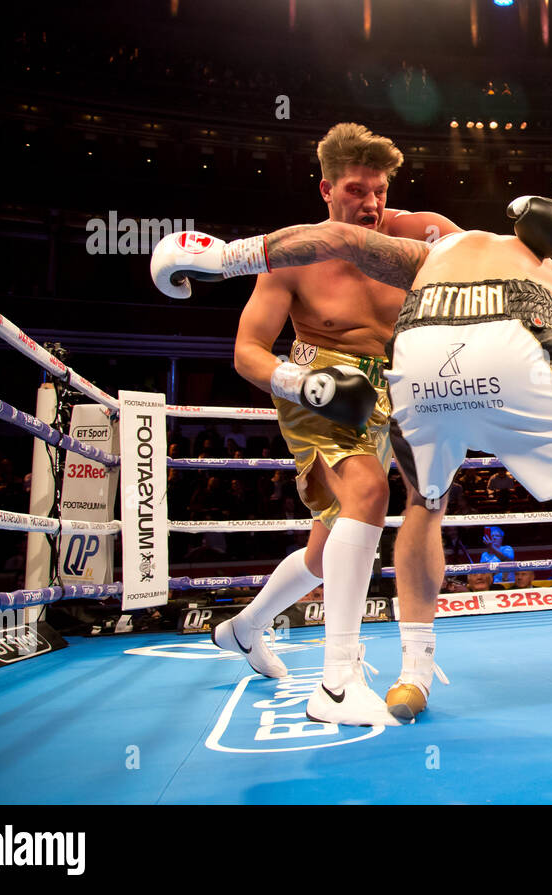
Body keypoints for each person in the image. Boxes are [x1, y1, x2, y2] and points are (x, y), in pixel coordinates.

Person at [152, 196, 552, 746]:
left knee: (424, 505)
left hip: (420, 347)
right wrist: (520, 432)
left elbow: (337, 239)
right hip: (523, 333)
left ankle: (413, 674)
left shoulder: (437, 251)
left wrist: (220, 256)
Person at [158, 123, 461, 727]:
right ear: (325, 189)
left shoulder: (422, 232)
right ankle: (337, 681)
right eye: (356, 190)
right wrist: (307, 384)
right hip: (316, 376)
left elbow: (483, 269)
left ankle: (245, 628)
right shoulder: (292, 260)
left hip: (392, 385)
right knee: (369, 493)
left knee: (329, 549)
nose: (371, 204)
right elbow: (248, 352)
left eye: (379, 191)